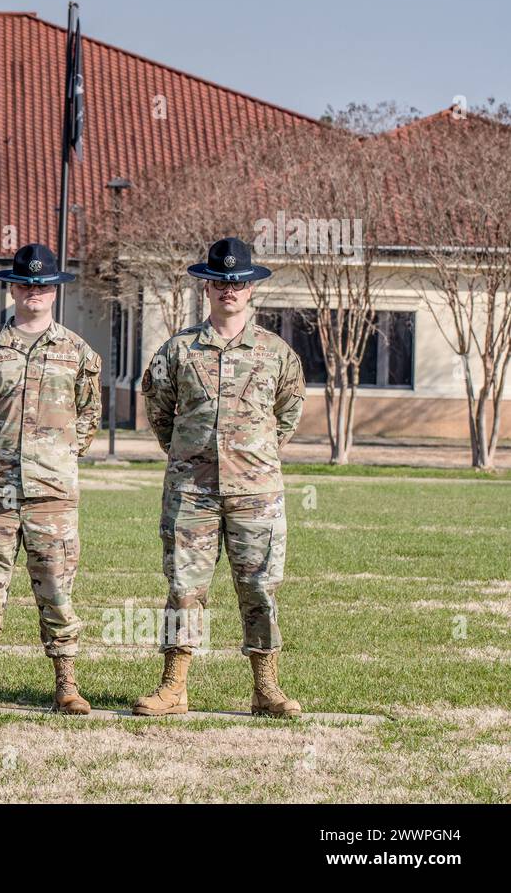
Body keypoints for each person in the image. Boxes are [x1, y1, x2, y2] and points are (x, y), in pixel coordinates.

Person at [135, 237, 305, 718]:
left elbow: (287, 413)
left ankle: (266, 688)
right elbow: (160, 413)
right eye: (220, 281)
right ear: (206, 286)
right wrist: (193, 458)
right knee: (184, 590)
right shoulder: (178, 351)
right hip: (192, 494)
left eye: (238, 281)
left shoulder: (276, 353)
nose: (229, 289)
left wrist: (254, 455)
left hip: (257, 494)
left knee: (260, 589)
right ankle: (173, 686)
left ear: (250, 289)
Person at [0, 244, 102, 713]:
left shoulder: (77, 352)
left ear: (54, 290)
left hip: (52, 496)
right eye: (25, 283)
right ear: (13, 288)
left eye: (42, 285)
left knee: (57, 591)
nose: (33, 291)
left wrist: (56, 460)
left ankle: (67, 684)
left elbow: (89, 414)